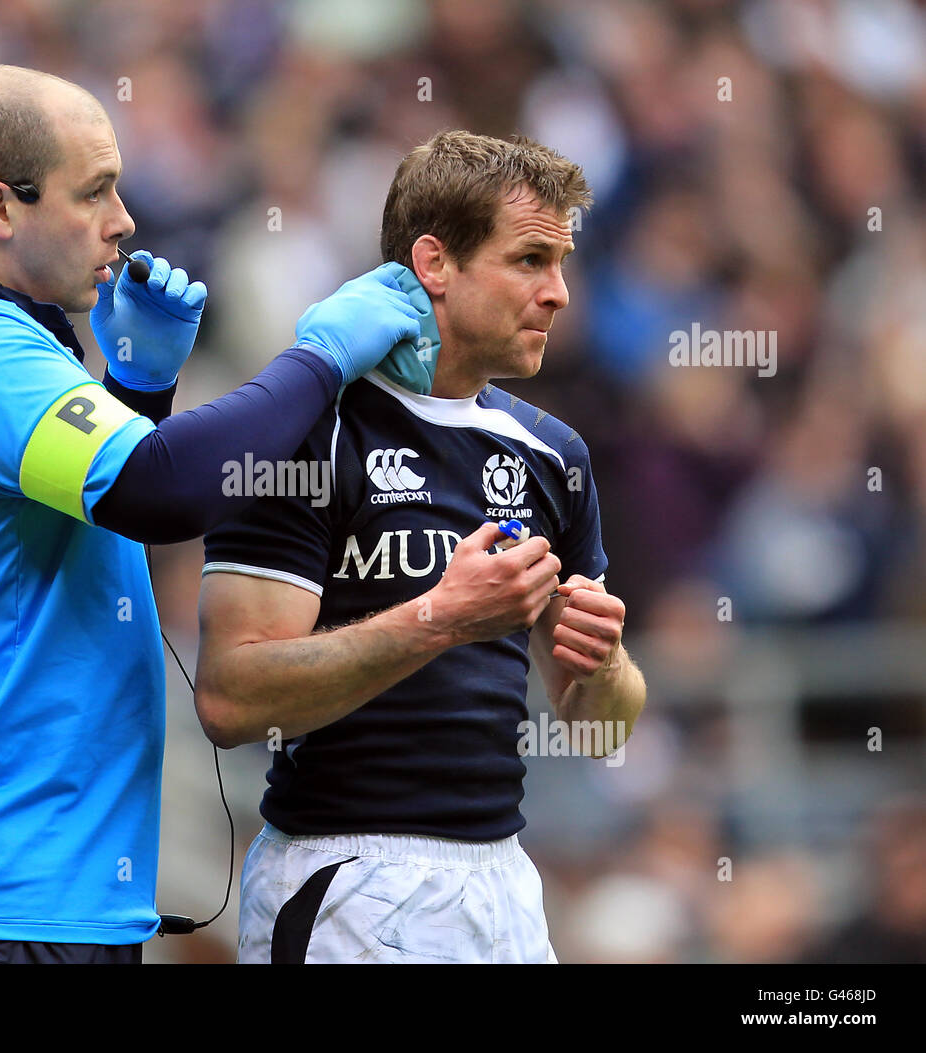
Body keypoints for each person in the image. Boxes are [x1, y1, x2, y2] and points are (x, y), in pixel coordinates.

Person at [0, 64, 421, 964]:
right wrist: (320, 356)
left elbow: (101, 519)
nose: (125, 220)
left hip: (36, 898)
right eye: (96, 189)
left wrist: (140, 390)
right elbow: (165, 491)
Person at [195, 131, 648, 964]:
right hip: (343, 878)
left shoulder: (553, 454)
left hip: (504, 882)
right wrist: (440, 616)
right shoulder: (305, 431)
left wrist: (607, 664)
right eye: (530, 260)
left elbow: (601, 727)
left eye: (563, 263)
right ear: (435, 262)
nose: (559, 294)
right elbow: (228, 700)